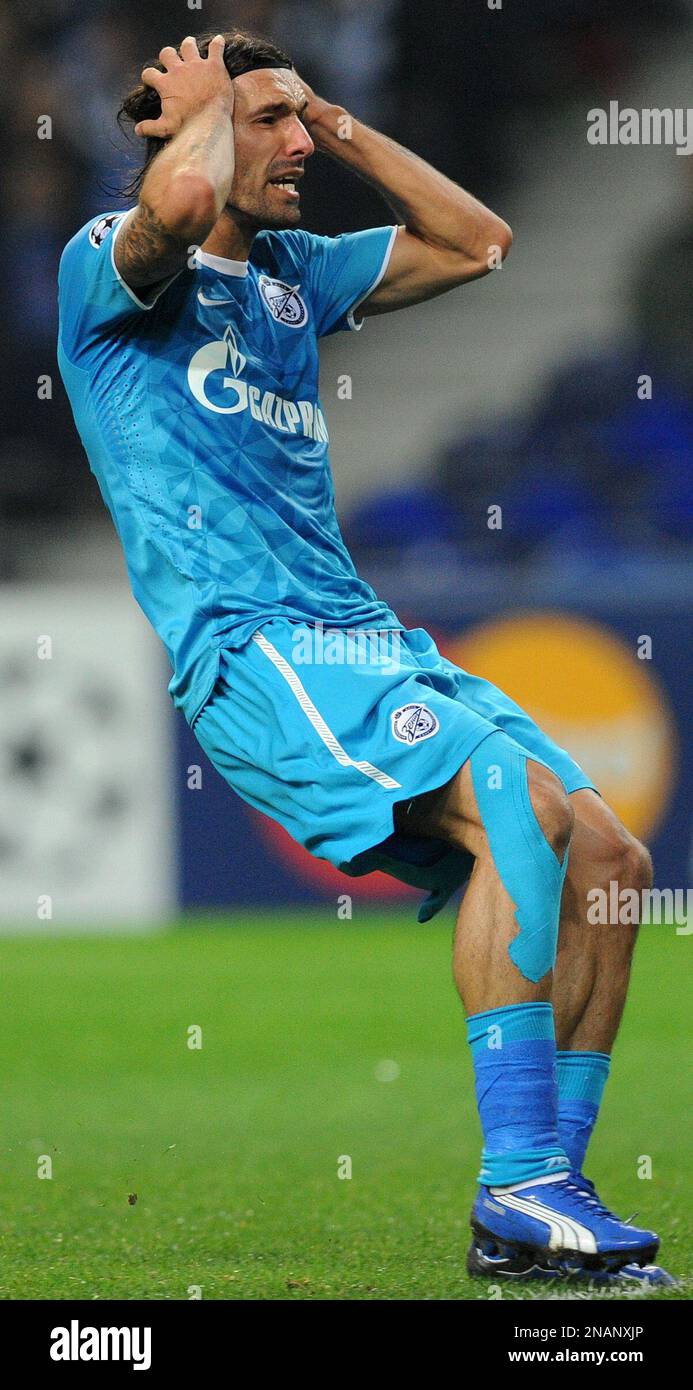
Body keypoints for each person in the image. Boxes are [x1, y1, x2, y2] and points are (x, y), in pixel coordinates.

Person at [57, 28, 669, 1285]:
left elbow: (480, 241)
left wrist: (328, 121)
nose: (298, 145)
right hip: (258, 650)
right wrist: (197, 120)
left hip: (366, 637)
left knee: (611, 855)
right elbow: (173, 204)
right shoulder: (108, 273)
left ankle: (550, 1203)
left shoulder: (291, 273)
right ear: (200, 137)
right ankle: (521, 1189)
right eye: (270, 124)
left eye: (300, 122)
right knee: (518, 803)